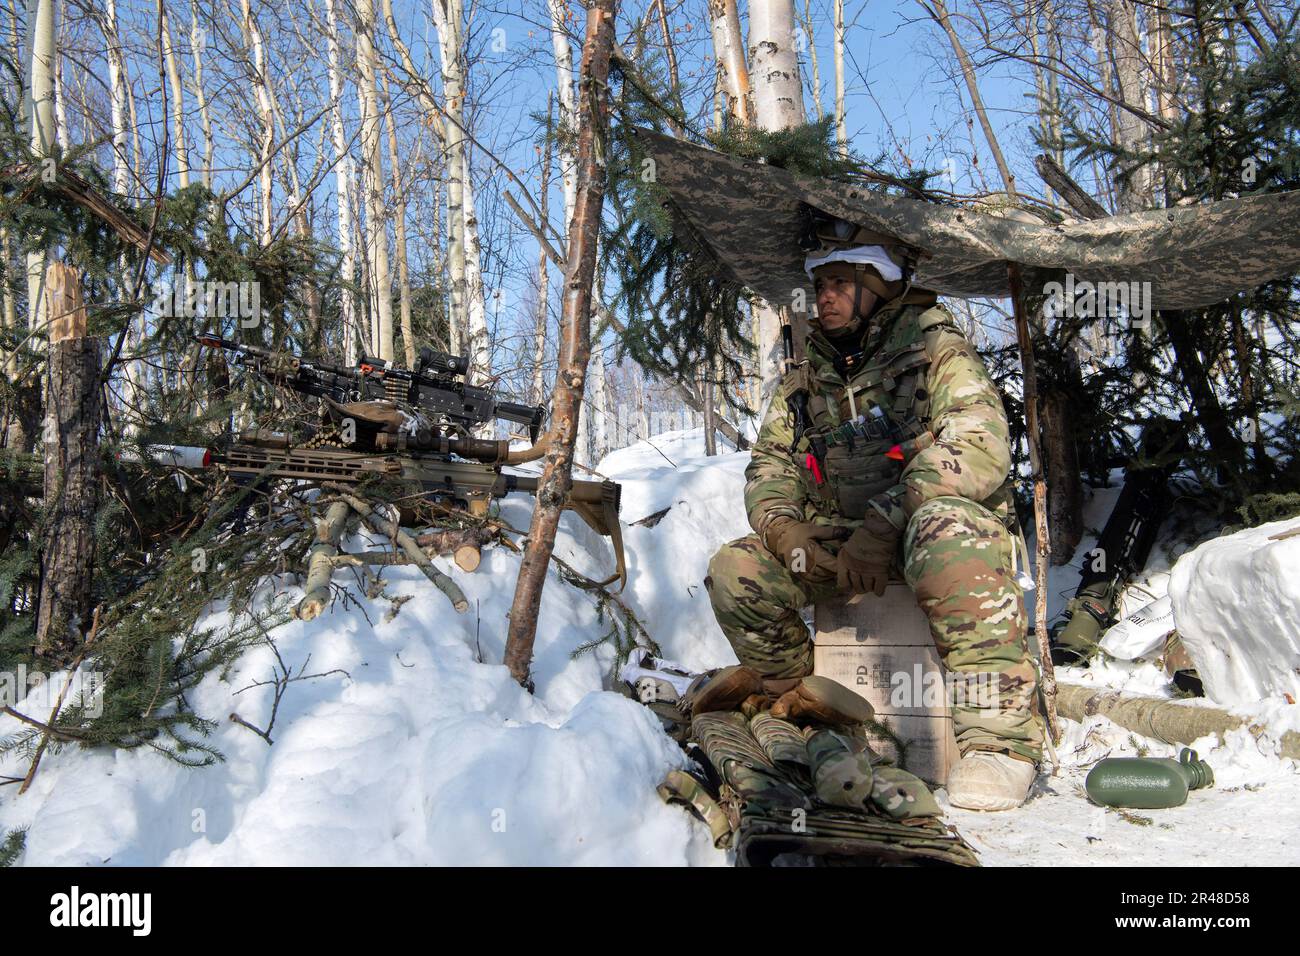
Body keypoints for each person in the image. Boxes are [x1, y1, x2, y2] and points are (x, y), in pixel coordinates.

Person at [704, 241, 1044, 811]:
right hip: (841, 543)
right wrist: (784, 529)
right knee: (738, 569)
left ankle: (998, 743)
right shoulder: (806, 371)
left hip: (917, 535)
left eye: (840, 282)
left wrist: (887, 521)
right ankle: (798, 701)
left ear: (879, 286)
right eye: (819, 285)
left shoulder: (937, 349)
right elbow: (769, 463)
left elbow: (980, 446)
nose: (825, 296)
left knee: (951, 535)